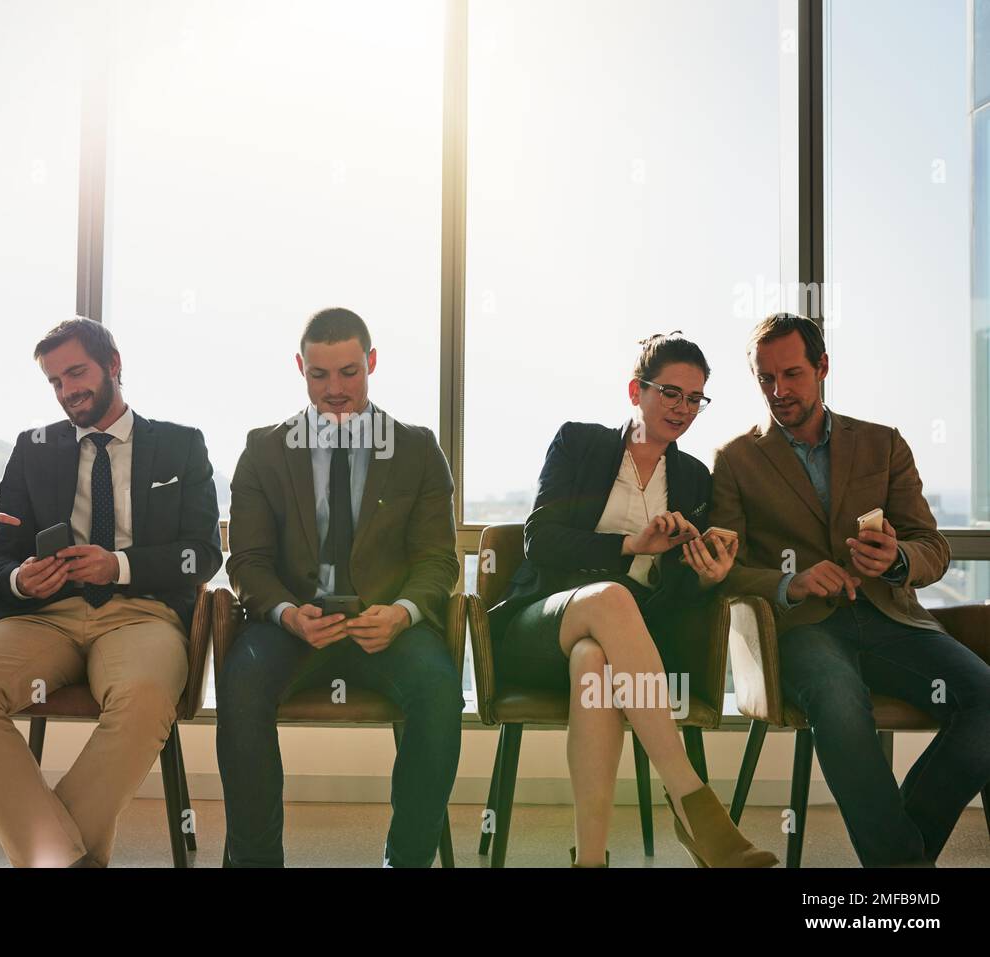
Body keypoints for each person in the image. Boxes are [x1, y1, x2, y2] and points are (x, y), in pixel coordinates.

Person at [0, 317, 221, 868]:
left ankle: (48, 856)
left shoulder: (181, 445)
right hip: (44, 617)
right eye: (55, 382)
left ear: (114, 364)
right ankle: (64, 857)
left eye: (76, 373)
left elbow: (203, 553)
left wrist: (119, 566)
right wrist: (20, 578)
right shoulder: (33, 447)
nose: (67, 391)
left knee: (144, 699)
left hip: (142, 616)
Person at [710, 313, 990, 866]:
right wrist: (791, 582)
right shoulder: (736, 460)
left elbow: (932, 547)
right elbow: (725, 569)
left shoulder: (883, 444)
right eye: (765, 379)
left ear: (823, 368)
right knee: (839, 704)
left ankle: (898, 860)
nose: (779, 391)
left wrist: (897, 559)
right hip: (803, 629)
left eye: (792, 374)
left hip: (892, 620)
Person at [489, 332, 778, 868]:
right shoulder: (579, 444)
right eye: (671, 393)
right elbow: (540, 540)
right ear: (635, 391)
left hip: (626, 649)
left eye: (695, 399)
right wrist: (630, 545)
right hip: (540, 625)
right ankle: (694, 804)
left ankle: (591, 860)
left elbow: (675, 593)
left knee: (594, 661)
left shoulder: (693, 477)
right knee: (613, 598)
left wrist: (709, 574)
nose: (683, 409)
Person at [217, 307, 462, 867]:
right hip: (291, 626)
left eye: (349, 372)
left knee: (439, 691)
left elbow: (437, 561)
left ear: (371, 363)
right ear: (300, 368)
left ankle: (407, 861)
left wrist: (401, 613)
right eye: (319, 375)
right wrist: (286, 613)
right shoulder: (263, 450)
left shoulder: (419, 449)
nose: (335, 390)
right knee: (241, 686)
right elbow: (247, 562)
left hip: (387, 628)